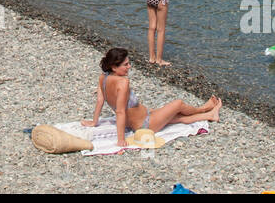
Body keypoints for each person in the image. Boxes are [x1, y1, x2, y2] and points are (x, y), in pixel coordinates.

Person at [82, 48, 221, 148]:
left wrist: (94, 122)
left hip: (142, 118)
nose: (129, 67)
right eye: (126, 65)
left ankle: (209, 114)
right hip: (145, 124)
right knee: (178, 104)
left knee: (178, 117)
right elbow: (120, 111)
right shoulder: (122, 83)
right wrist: (121, 139)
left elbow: (100, 101)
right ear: (114, 67)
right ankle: (204, 108)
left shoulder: (103, 78)